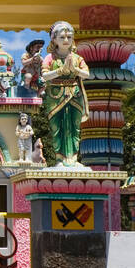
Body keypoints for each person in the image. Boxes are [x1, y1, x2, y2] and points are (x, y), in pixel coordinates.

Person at [41, 21, 90, 166]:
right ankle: (60, 158)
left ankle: (73, 159)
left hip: (74, 94)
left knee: (75, 127)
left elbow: (86, 74)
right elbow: (44, 76)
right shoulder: (50, 58)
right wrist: (59, 71)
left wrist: (75, 70)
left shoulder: (77, 58)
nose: (66, 40)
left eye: (69, 37)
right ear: (54, 39)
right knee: (57, 128)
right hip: (55, 96)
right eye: (62, 37)